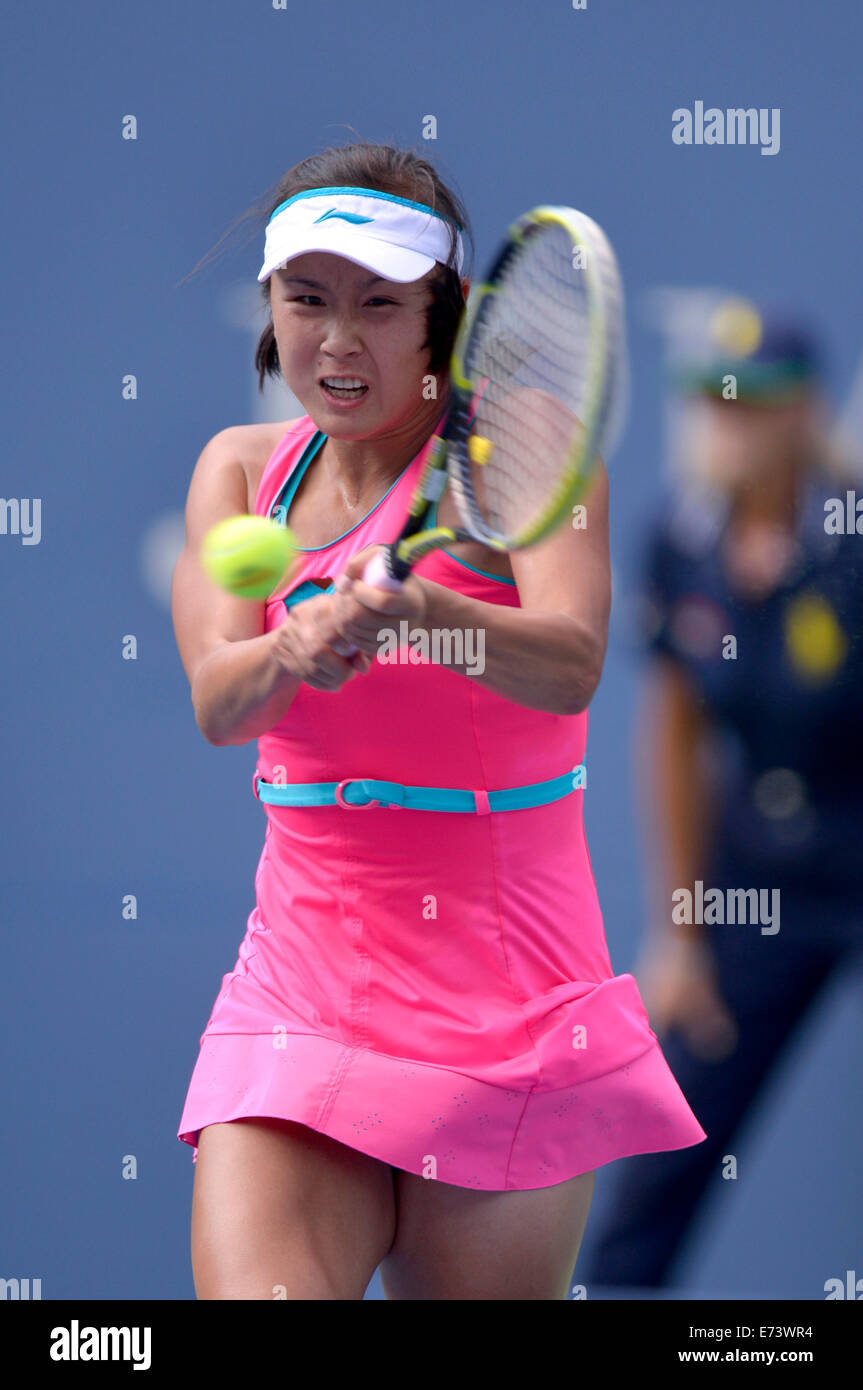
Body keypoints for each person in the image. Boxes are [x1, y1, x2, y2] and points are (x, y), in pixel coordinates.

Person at [171, 140, 706, 1301]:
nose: (336, 337)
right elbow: (221, 699)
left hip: (508, 1002)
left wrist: (421, 618)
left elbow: (570, 666)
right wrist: (292, 646)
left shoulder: (518, 449)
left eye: (378, 304)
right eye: (305, 299)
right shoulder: (236, 471)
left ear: (439, 321)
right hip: (300, 989)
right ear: (268, 307)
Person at [580, 302, 863, 1291]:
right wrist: (679, 933)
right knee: (658, 1166)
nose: (728, 421)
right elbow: (672, 730)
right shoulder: (682, 536)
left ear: (804, 414)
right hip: (760, 881)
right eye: (714, 401)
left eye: (755, 404)